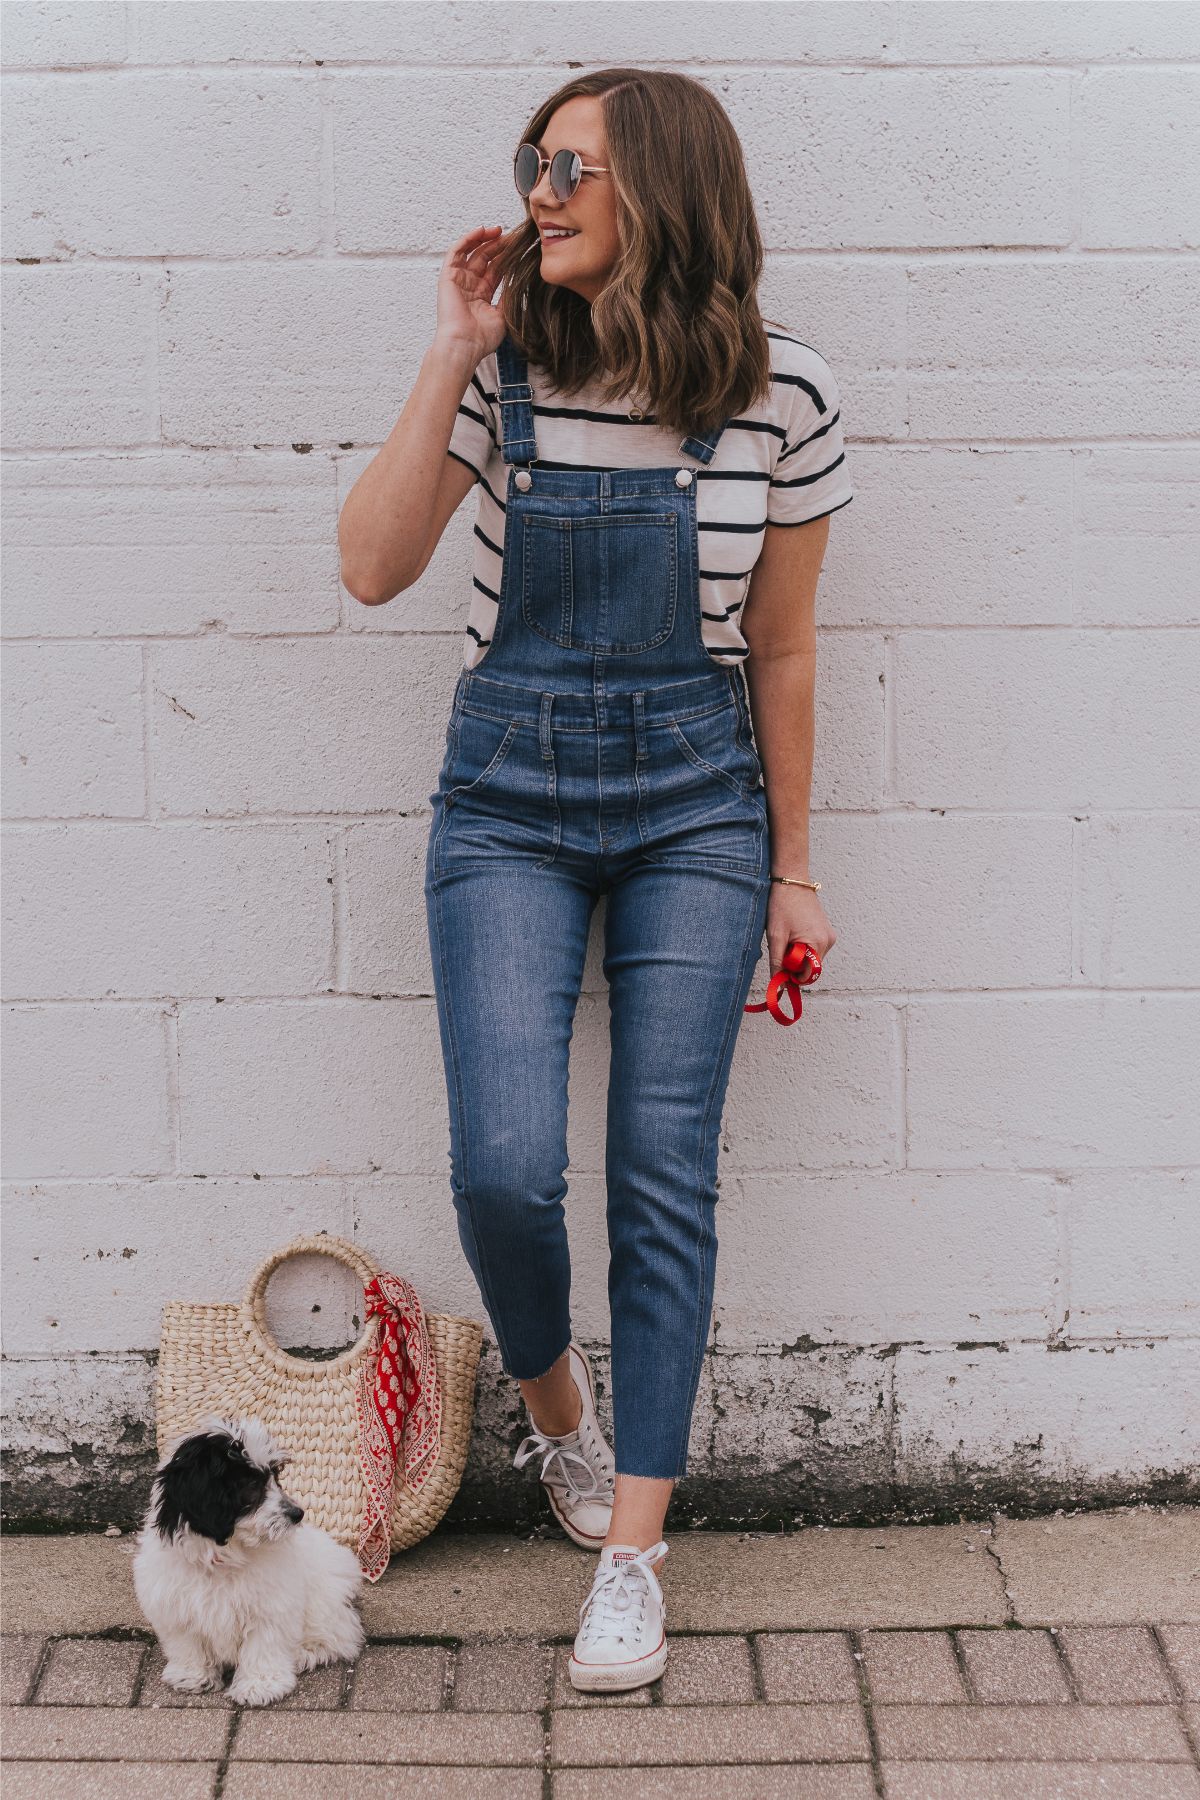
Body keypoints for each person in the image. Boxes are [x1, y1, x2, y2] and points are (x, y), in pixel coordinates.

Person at [338, 66, 850, 1692]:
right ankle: (559, 1416)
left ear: (667, 194)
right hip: (508, 796)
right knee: (503, 1167)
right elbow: (369, 565)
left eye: (570, 169)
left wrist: (794, 868)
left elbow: (779, 648)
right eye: (534, 161)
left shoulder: (789, 395)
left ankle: (634, 1549)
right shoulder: (512, 375)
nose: (538, 192)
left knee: (660, 1169)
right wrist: (450, 352)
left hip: (700, 803)